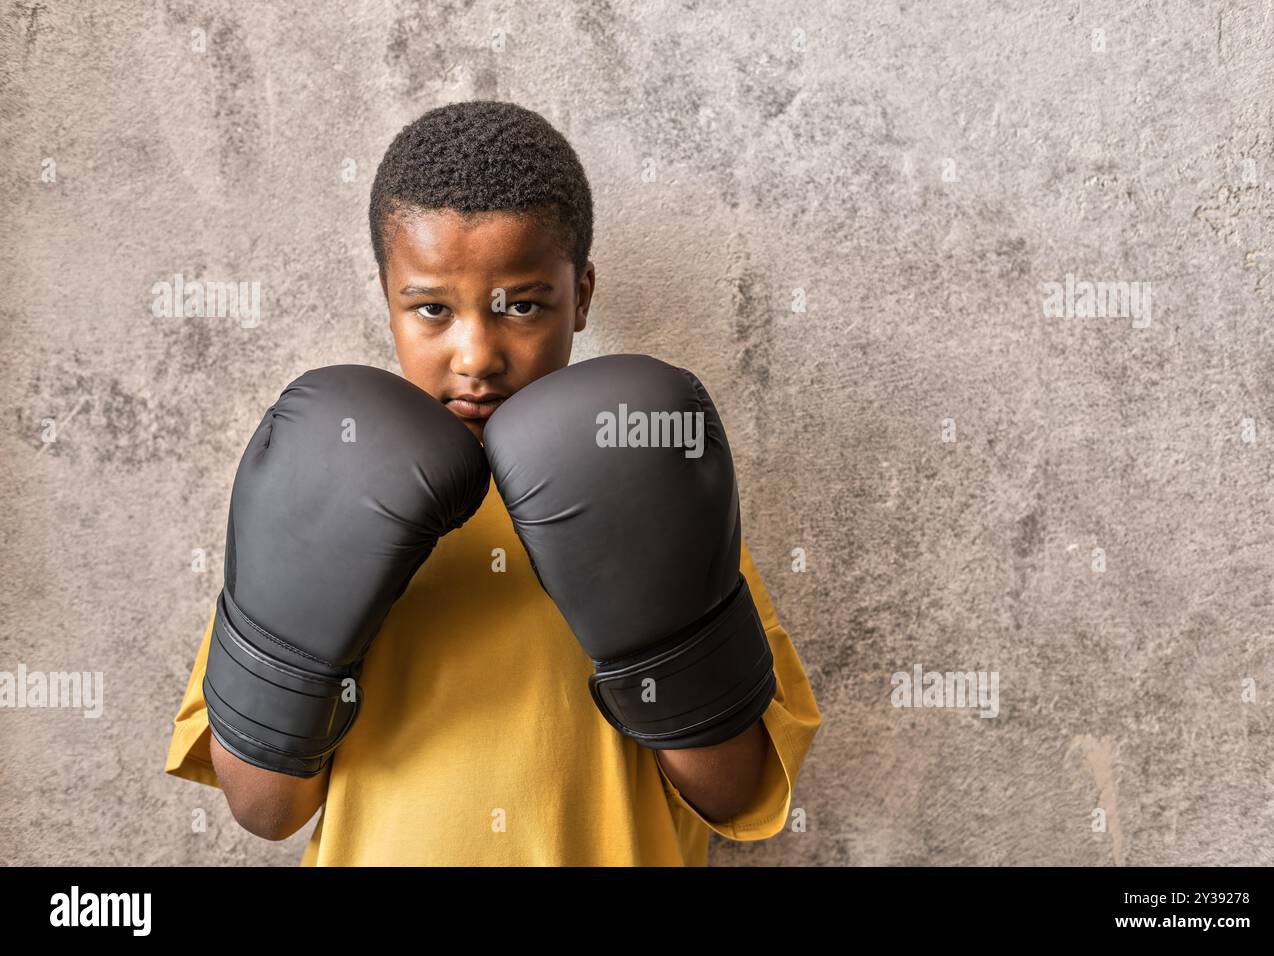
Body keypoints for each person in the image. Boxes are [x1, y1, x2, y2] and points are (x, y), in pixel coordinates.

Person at [164, 100, 821, 866]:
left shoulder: (653, 484)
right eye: (433, 309)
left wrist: (660, 640)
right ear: (388, 300)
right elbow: (266, 808)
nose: (476, 354)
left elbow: (734, 792)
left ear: (581, 297)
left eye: (523, 306)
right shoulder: (321, 484)